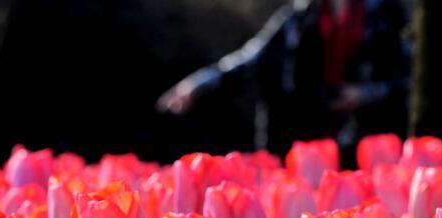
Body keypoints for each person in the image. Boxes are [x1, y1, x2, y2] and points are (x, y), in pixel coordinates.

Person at [157, 0, 410, 156]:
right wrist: (198, 84)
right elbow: (253, 57)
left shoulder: (385, 13)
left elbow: (413, 78)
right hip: (310, 139)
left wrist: (367, 94)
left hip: (369, 141)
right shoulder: (299, 17)